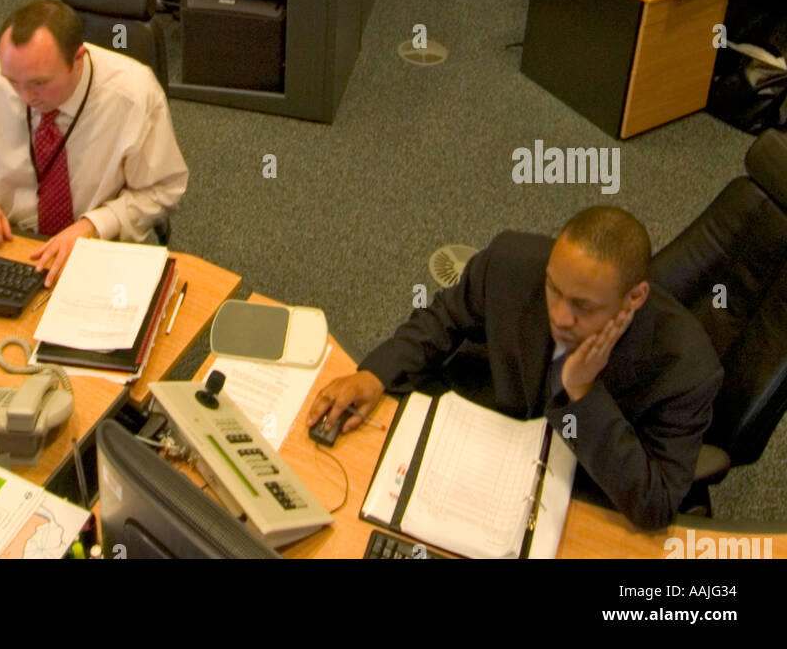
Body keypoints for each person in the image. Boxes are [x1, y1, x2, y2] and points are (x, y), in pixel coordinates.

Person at [308, 207, 723, 531]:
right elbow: (443, 320)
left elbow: (658, 501)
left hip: (579, 492)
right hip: (487, 454)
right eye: (554, 289)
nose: (559, 315)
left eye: (582, 306)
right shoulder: (510, 263)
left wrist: (581, 392)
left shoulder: (686, 367)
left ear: (634, 297)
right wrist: (374, 375)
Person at [0, 0, 188, 284]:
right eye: (13, 81)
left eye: (39, 83)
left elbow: (163, 190)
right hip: (8, 242)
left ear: (78, 59)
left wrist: (93, 227)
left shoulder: (133, 97)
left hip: (97, 248)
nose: (25, 96)